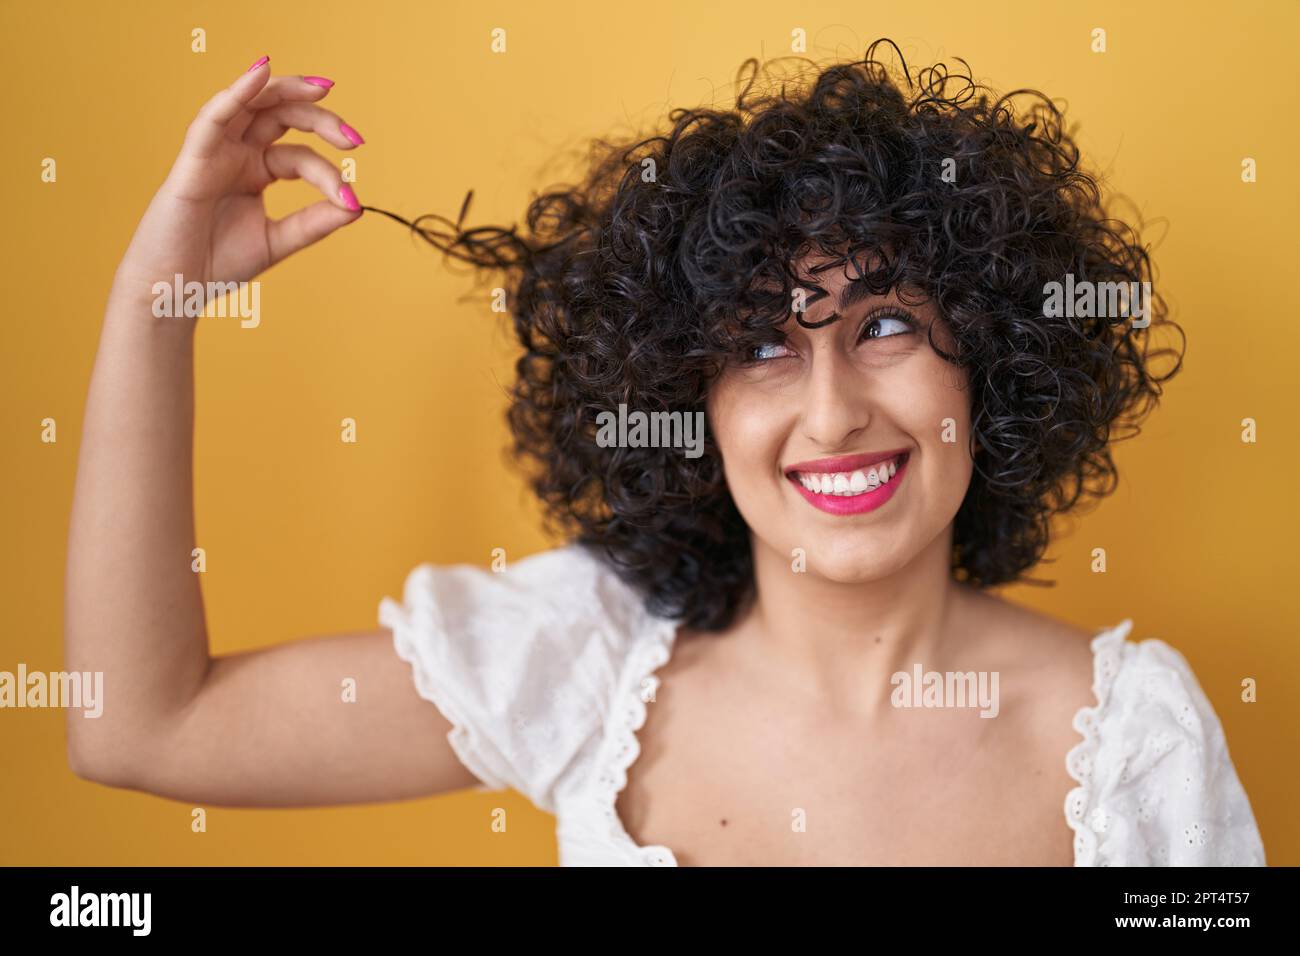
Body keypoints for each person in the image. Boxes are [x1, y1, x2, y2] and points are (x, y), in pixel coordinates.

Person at [64, 41, 1267, 866]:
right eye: (760, 345)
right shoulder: (584, 660)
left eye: (886, 323)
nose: (835, 410)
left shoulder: (1132, 735)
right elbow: (137, 723)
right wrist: (153, 302)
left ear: (990, 360)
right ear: (681, 398)